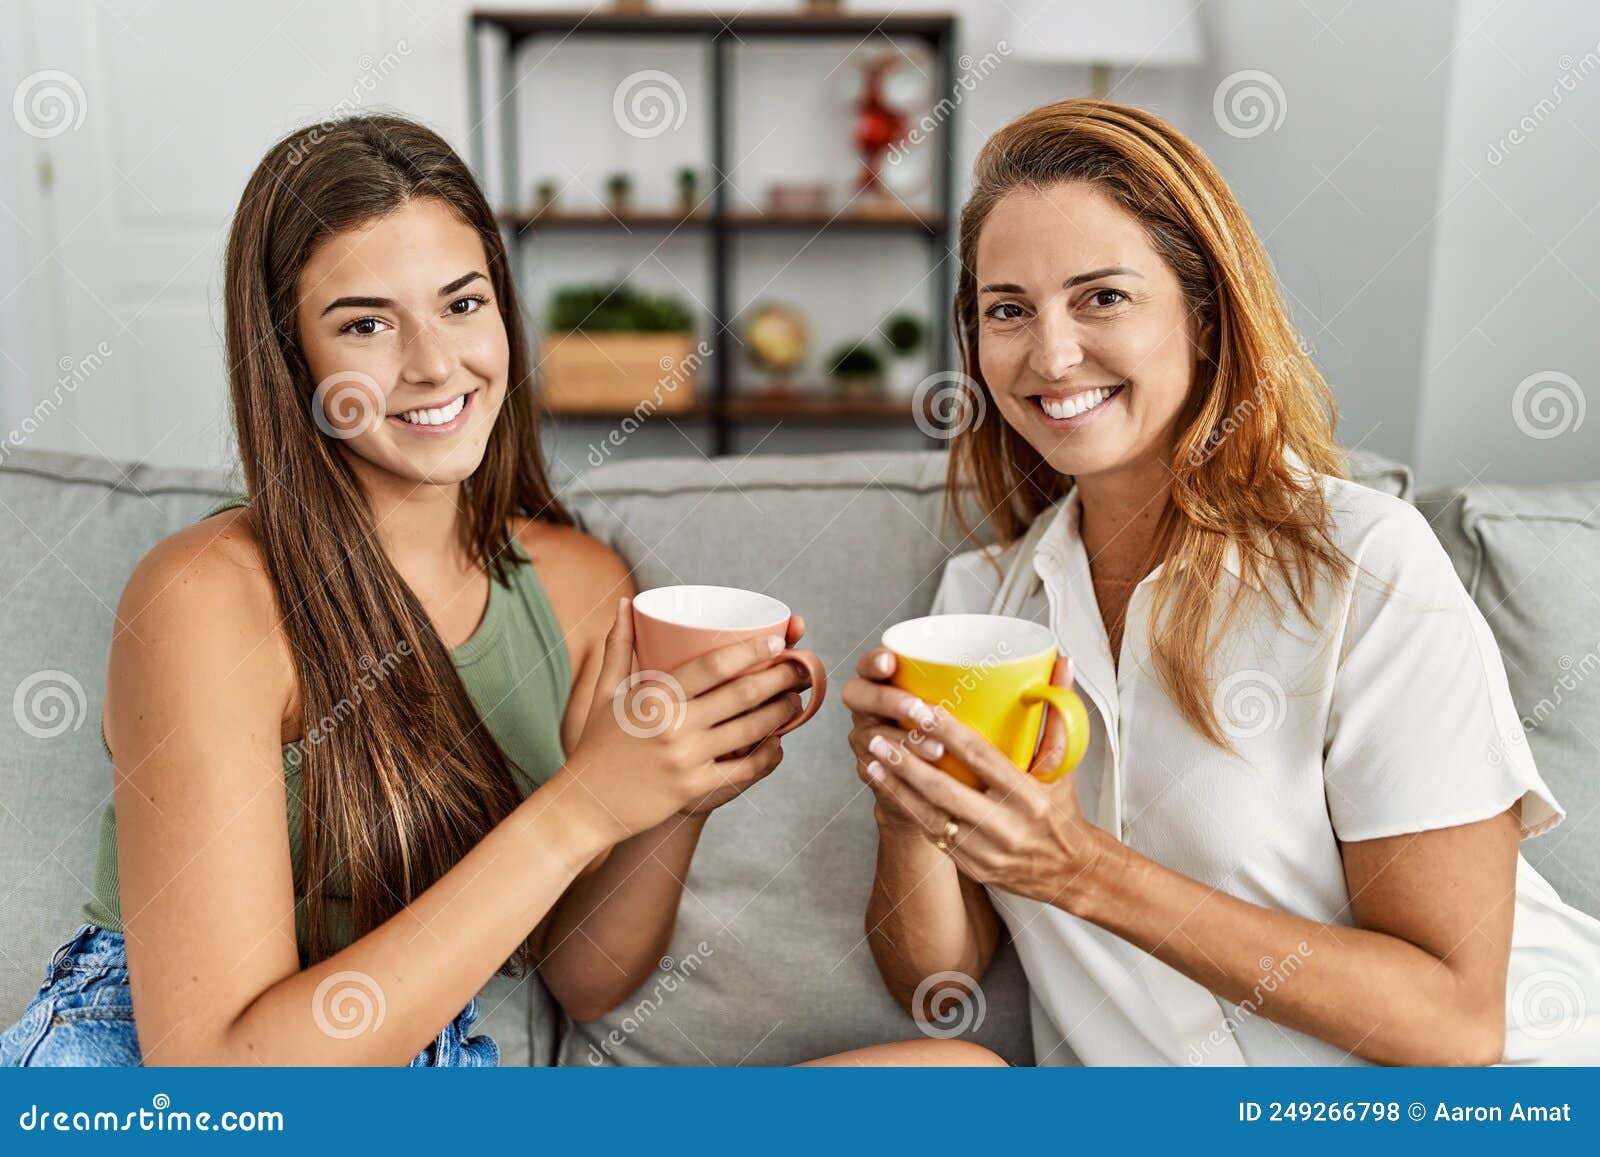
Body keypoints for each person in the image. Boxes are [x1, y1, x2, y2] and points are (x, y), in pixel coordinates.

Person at [0, 115, 998, 1070]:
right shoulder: (206, 596)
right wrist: (581, 802)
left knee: (955, 1081)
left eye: (462, 302)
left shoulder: (571, 584)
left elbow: (587, 976)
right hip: (161, 1092)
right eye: (364, 324)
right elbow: (225, 1079)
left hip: (429, 1074)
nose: (436, 364)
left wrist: (673, 788)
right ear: (288, 358)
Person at [845, 98, 1600, 1067]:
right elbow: (934, 981)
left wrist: (1079, 868)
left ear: (1204, 316)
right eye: (1007, 310)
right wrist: (905, 806)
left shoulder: (1360, 561)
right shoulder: (984, 603)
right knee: (929, 1073)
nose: (1050, 353)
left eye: (1102, 297)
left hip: (1492, 1095)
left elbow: (1451, 1021)